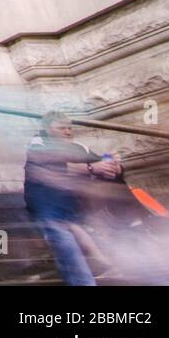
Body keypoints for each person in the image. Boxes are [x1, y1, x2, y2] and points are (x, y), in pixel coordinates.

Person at [23, 111, 122, 286]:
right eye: (62, 128)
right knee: (68, 246)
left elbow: (99, 162)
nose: (68, 131)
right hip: (48, 208)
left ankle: (102, 262)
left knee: (83, 238)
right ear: (46, 129)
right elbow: (54, 165)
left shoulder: (79, 147)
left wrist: (114, 164)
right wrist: (92, 168)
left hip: (73, 208)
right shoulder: (39, 143)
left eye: (69, 128)